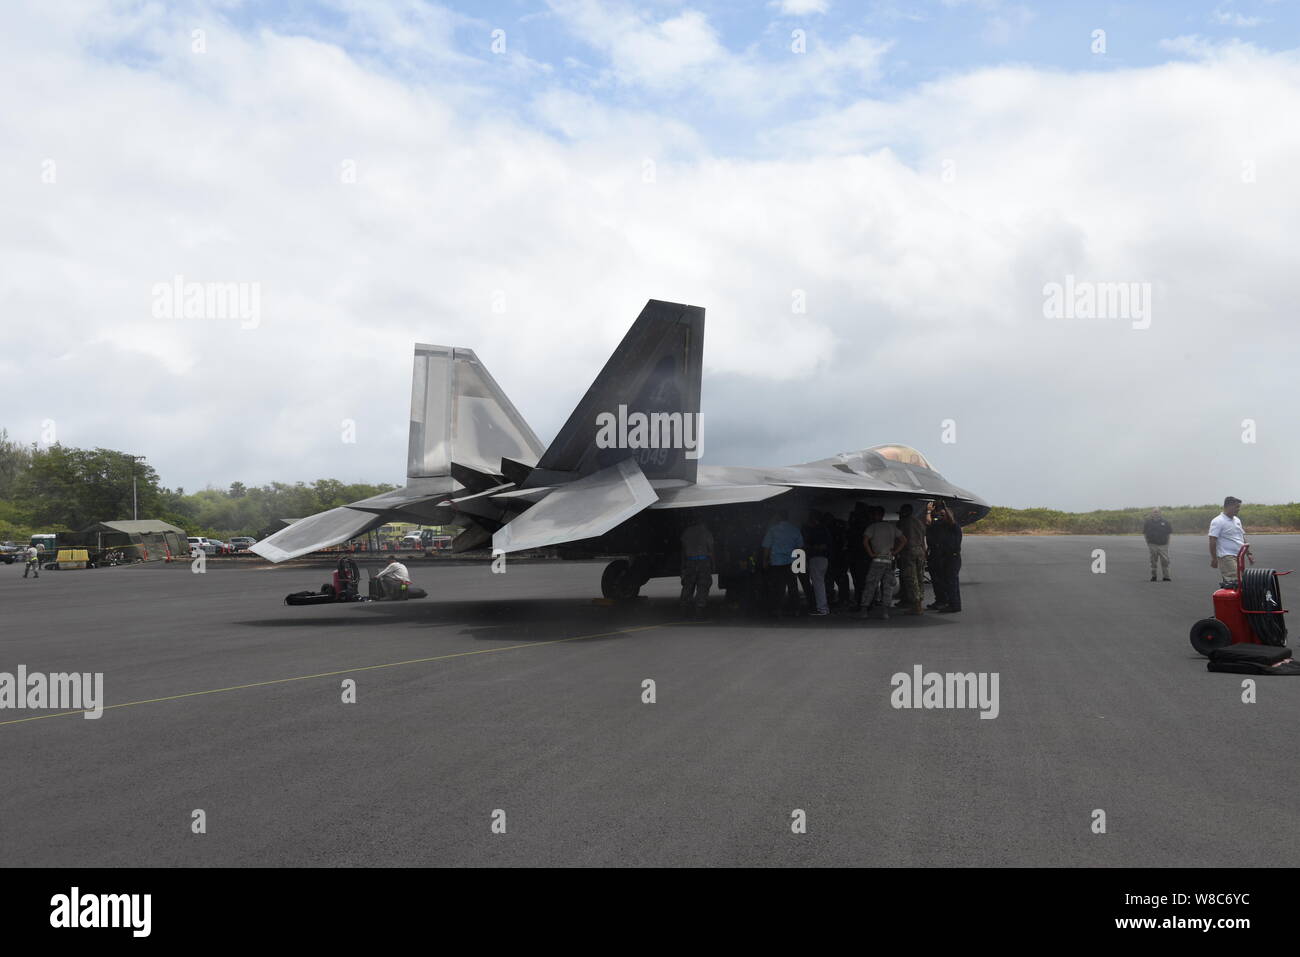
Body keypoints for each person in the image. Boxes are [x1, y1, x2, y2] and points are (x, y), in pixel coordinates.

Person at [859, 506, 906, 620]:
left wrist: (871, 553)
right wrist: (895, 552)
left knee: (871, 585)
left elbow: (865, 541)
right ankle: (885, 612)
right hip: (889, 560)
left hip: (877, 560)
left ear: (876, 515)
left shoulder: (872, 527)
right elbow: (904, 540)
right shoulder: (891, 527)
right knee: (887, 587)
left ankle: (864, 611)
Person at [761, 510, 804, 618]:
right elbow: (800, 546)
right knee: (793, 586)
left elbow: (767, 547)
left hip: (777, 562)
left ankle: (778, 610)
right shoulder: (795, 529)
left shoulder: (773, 530)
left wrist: (765, 560)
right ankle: (796, 609)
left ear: (778, 517)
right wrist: (801, 562)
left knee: (778, 587)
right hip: (792, 562)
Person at [926, 503, 963, 613]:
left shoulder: (953, 525)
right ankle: (949, 602)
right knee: (946, 582)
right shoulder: (942, 525)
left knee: (951, 582)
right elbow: (931, 524)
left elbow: (929, 522)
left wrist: (928, 511)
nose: (940, 516)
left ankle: (954, 605)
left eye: (943, 514)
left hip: (952, 558)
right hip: (945, 557)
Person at [1209, 496, 1251, 586]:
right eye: (1236, 507)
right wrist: (1214, 558)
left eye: (1238, 507)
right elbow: (1212, 540)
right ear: (1228, 506)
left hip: (1239, 555)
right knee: (1234, 581)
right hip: (1227, 556)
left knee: (1241, 581)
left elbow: (1241, 537)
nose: (1238, 509)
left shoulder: (1237, 520)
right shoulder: (1218, 521)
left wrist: (1249, 553)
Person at [678, 515, 714, 618]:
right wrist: (713, 563)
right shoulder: (706, 532)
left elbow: (683, 551)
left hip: (690, 562)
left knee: (688, 586)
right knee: (703, 585)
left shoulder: (686, 532)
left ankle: (684, 608)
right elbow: (711, 550)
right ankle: (700, 608)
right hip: (703, 562)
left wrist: (682, 567)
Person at [894, 503, 927, 615]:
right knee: (919, 578)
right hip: (920, 552)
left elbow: (899, 539)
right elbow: (923, 539)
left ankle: (916, 606)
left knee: (911, 579)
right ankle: (919, 603)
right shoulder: (919, 522)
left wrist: (895, 552)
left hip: (908, 553)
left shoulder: (902, 523)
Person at [802, 512, 832, 616]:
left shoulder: (815, 530)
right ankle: (823, 607)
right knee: (820, 583)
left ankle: (822, 608)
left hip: (816, 559)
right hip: (824, 559)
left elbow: (810, 545)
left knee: (818, 584)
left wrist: (810, 548)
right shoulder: (825, 530)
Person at [847, 502, 870, 611]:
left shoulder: (857, 524)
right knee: (863, 580)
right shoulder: (867, 523)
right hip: (863, 554)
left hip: (858, 554)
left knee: (860, 581)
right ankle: (866, 602)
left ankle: (862, 602)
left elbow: (851, 535)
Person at [1142, 507, 1172, 581]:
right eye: (1154, 512)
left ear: (1160, 513)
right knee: (1153, 561)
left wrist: (1167, 544)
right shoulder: (1148, 522)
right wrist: (1148, 543)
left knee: (1165, 561)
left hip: (1163, 545)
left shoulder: (1165, 522)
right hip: (1152, 545)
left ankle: (1166, 577)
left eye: (1157, 512)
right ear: (1152, 513)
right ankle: (1154, 576)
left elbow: (1169, 534)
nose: (1156, 513)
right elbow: (1145, 534)